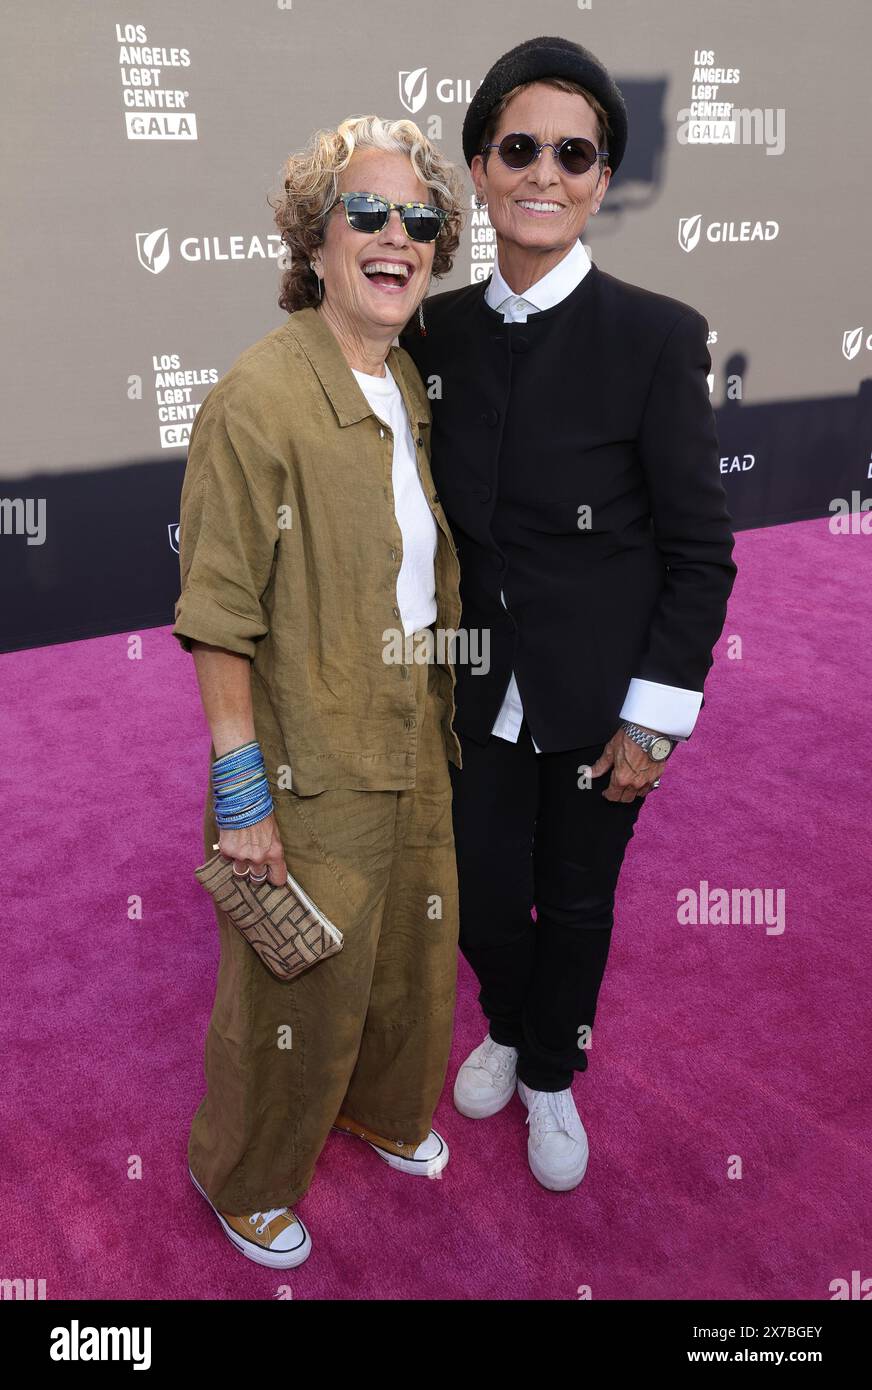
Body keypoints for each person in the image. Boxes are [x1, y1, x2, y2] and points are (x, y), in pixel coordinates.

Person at [400, 36, 737, 1193]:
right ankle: (505, 1019)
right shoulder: (429, 334)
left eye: (574, 151)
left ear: (599, 180)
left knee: (578, 897)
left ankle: (549, 1067)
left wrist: (651, 723)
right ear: (482, 169)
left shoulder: (654, 336)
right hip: (472, 687)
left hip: (601, 702)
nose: (545, 170)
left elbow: (697, 553)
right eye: (519, 147)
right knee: (485, 892)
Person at [172, 115, 467, 1265]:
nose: (396, 236)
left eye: (421, 221)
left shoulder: (399, 376)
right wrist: (241, 791)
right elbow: (218, 613)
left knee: (406, 953)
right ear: (315, 236)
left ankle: (379, 1106)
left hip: (408, 726)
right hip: (307, 753)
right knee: (295, 978)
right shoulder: (260, 396)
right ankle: (239, 1173)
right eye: (367, 213)